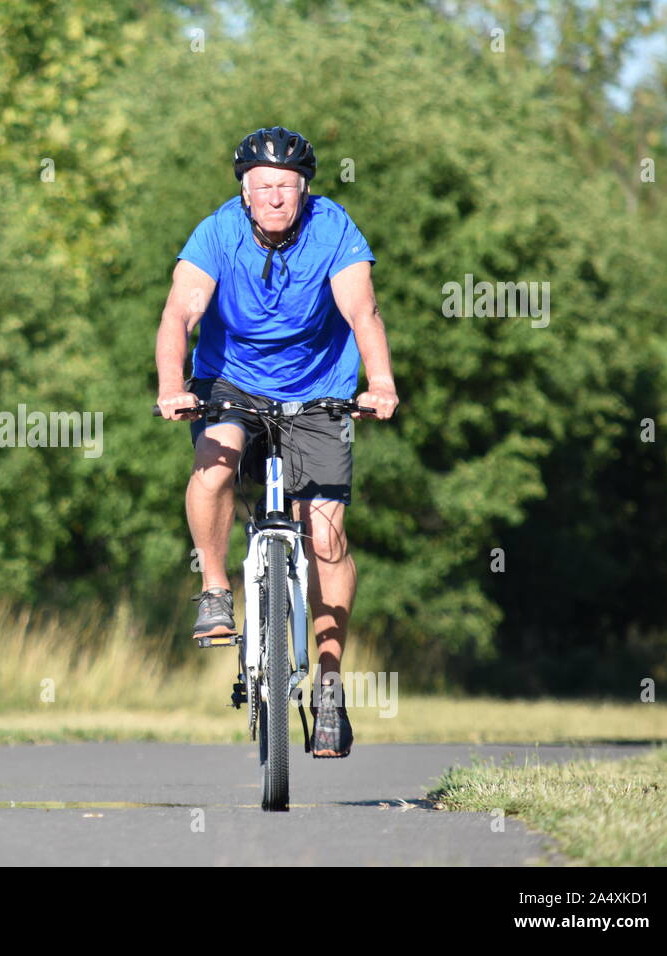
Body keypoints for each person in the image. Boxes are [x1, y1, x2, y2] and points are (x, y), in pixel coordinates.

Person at [153, 126, 398, 757]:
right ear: (244, 189)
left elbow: (361, 312)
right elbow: (180, 313)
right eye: (262, 186)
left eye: (286, 186)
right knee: (214, 467)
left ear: (304, 188)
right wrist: (170, 386)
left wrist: (382, 383)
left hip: (319, 390)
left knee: (325, 534)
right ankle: (213, 589)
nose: (275, 198)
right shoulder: (216, 232)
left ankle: (330, 688)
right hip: (232, 382)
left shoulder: (334, 229)